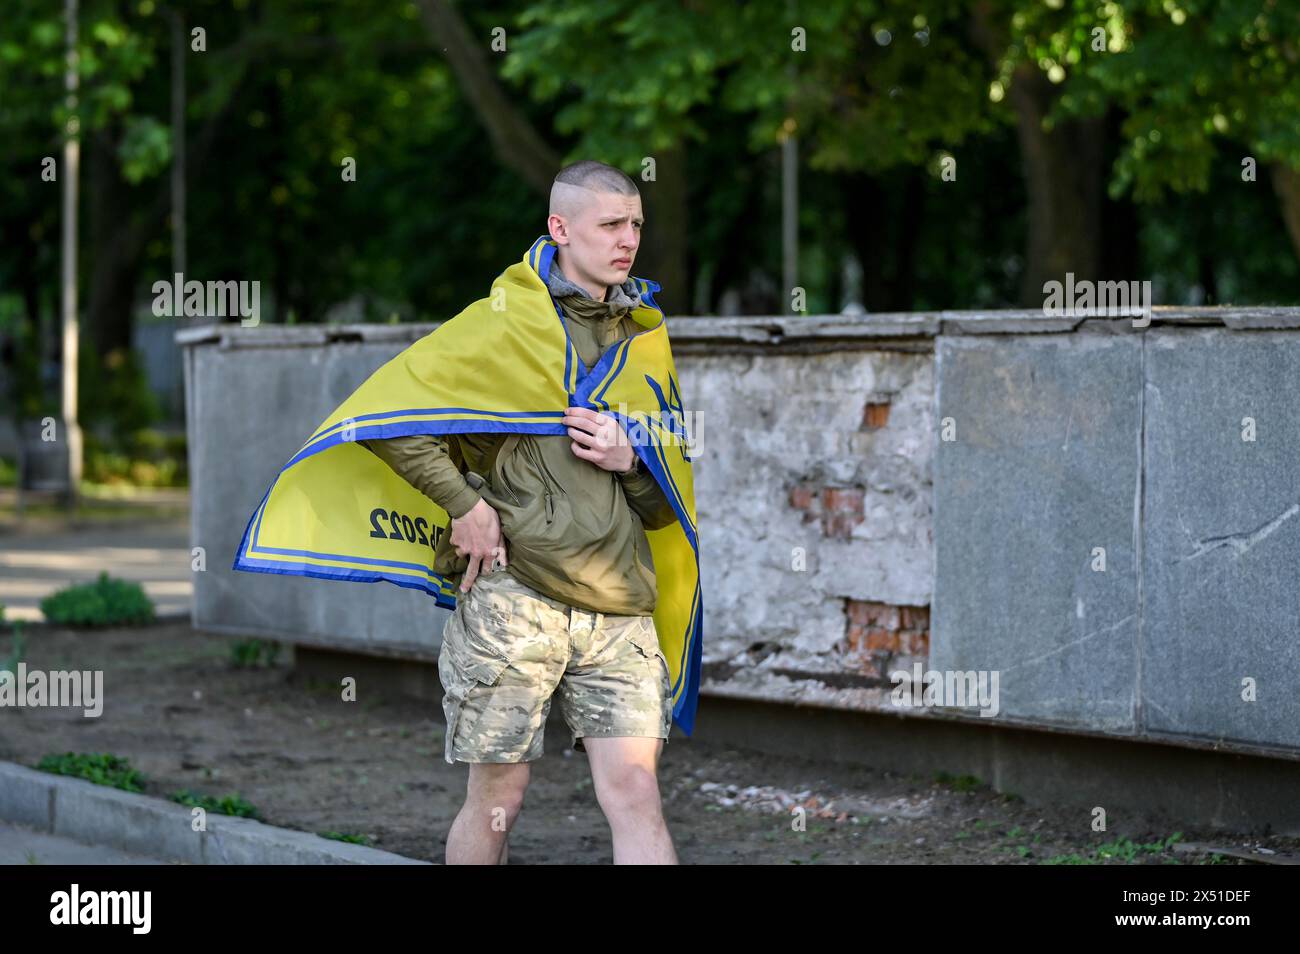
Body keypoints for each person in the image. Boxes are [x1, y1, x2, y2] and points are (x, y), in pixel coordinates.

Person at [359, 160, 681, 864]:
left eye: (635, 225)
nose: (628, 239)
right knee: (500, 795)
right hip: (516, 599)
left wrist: (633, 459)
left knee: (636, 792)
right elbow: (388, 419)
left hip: (619, 605)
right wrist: (465, 505)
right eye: (610, 225)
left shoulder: (643, 337)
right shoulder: (505, 323)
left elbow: (666, 510)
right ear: (560, 228)